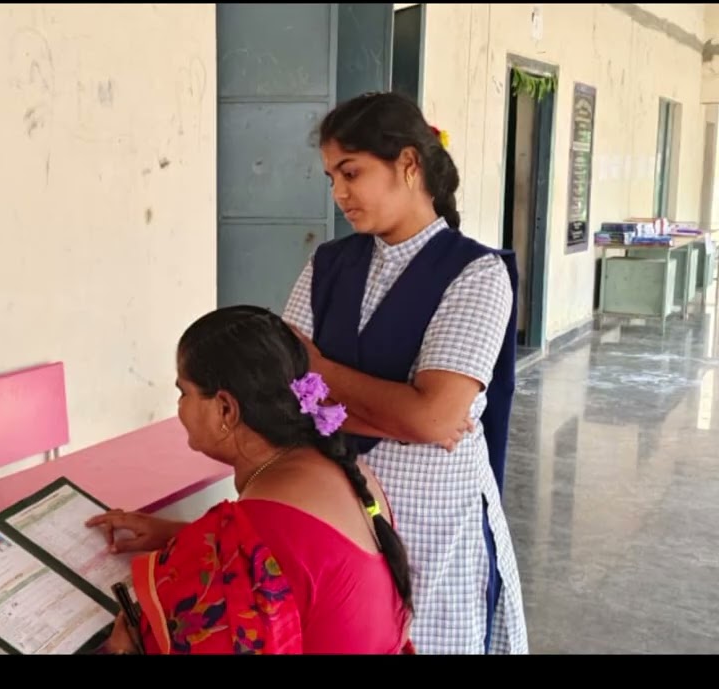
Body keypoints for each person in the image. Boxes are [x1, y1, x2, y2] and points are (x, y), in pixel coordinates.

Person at [280, 91, 528, 654]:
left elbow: (432, 413)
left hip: (433, 520)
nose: (339, 193)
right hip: (338, 510)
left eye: (352, 172)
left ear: (409, 164)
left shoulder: (476, 274)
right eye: (331, 178)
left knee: (428, 638)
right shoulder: (329, 265)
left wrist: (319, 372)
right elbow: (284, 386)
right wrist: (414, 417)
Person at [86, 305, 414, 655]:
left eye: (184, 392)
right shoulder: (348, 470)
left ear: (225, 408)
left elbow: (180, 638)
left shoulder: (254, 527)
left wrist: (121, 648)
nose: (180, 406)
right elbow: (296, 565)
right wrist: (178, 534)